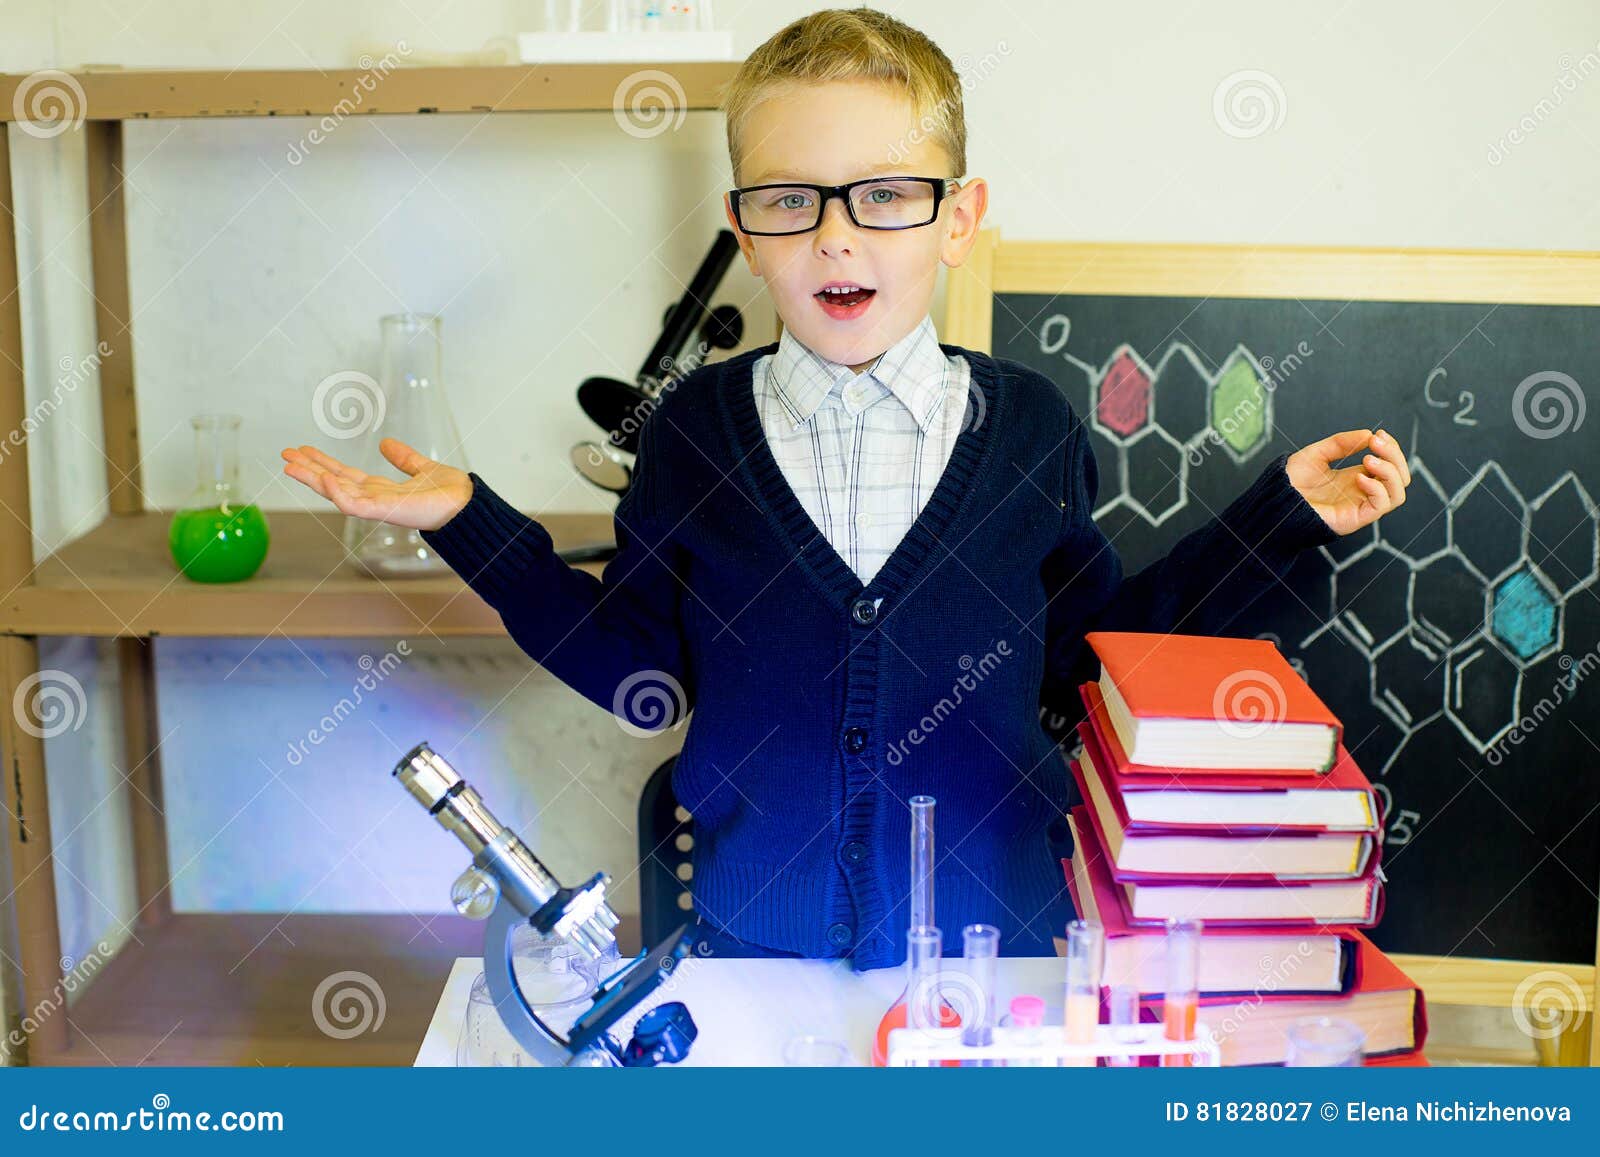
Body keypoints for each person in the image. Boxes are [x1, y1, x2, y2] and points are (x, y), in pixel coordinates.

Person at [281, 9, 1411, 970]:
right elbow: (639, 668)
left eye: (883, 195)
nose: (832, 235)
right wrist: (470, 527)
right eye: (789, 200)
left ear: (957, 220)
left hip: (998, 946)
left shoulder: (1030, 427)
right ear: (744, 229)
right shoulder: (693, 434)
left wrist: (1281, 526)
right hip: (752, 943)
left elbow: (1095, 655)